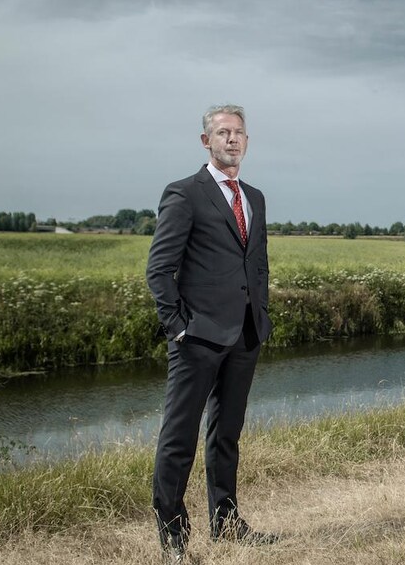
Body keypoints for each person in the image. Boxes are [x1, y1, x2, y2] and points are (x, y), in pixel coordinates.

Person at [145, 104, 276, 561]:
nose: (232, 139)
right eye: (223, 132)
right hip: (197, 338)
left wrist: (260, 314)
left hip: (244, 335)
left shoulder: (254, 197)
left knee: (226, 435)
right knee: (178, 438)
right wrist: (178, 329)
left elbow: (256, 263)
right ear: (206, 141)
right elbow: (159, 269)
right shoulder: (184, 194)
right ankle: (174, 538)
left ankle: (226, 523)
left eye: (239, 132)